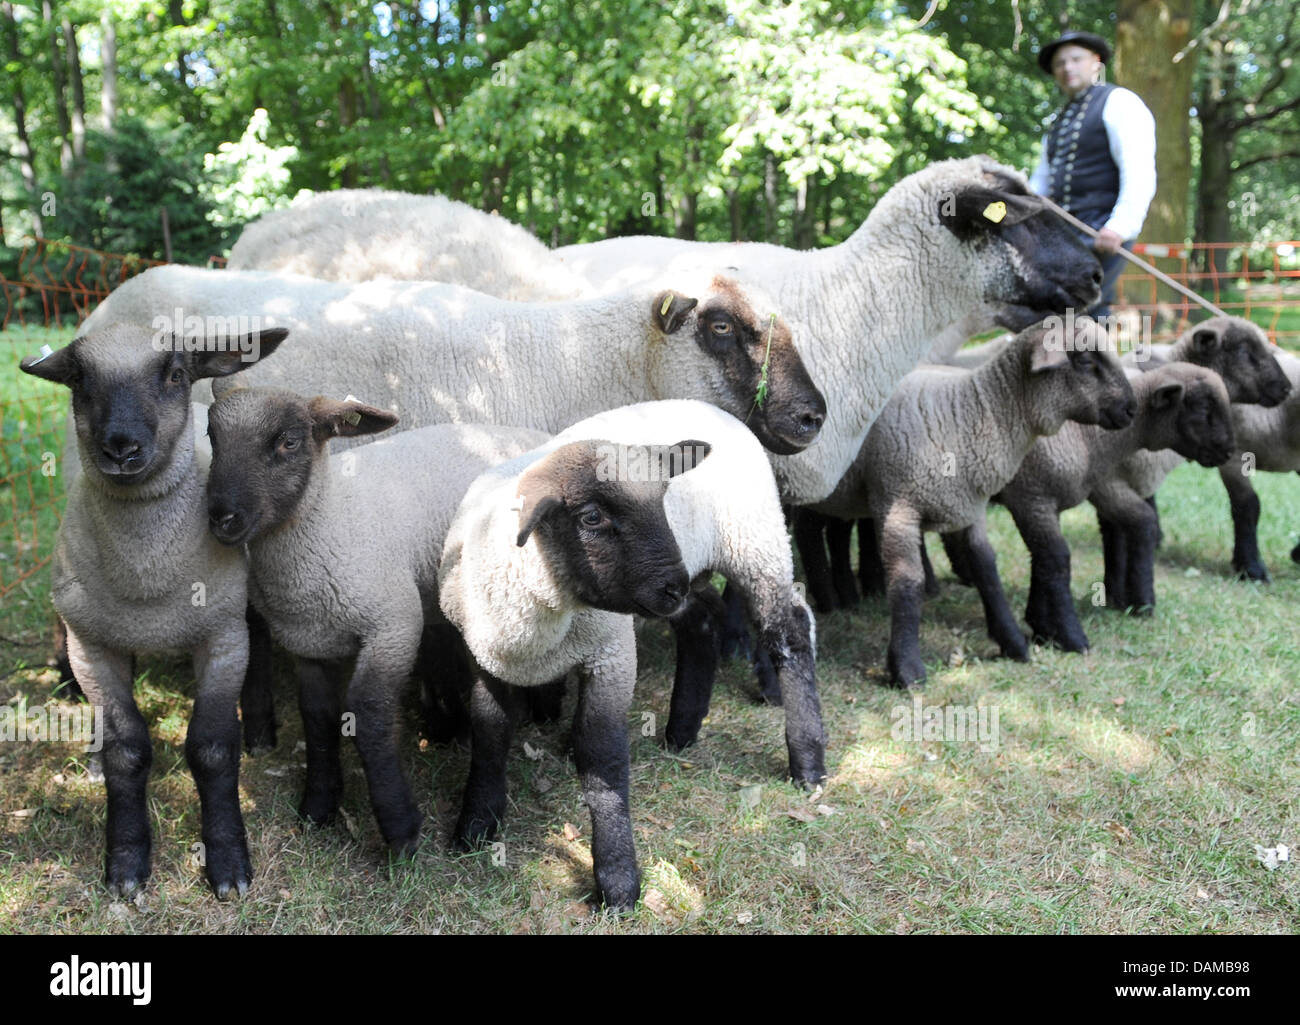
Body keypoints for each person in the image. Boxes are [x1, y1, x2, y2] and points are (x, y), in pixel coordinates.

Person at [1028, 30, 1156, 319]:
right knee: (1059, 310)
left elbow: (1138, 169)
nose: (1067, 67)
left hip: (1103, 228)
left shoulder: (1120, 102)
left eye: (1076, 59)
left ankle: (1094, 351)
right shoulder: (1058, 121)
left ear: (1095, 62)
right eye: (1060, 63)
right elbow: (1041, 182)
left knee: (1087, 307)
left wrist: (1120, 226)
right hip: (1064, 233)